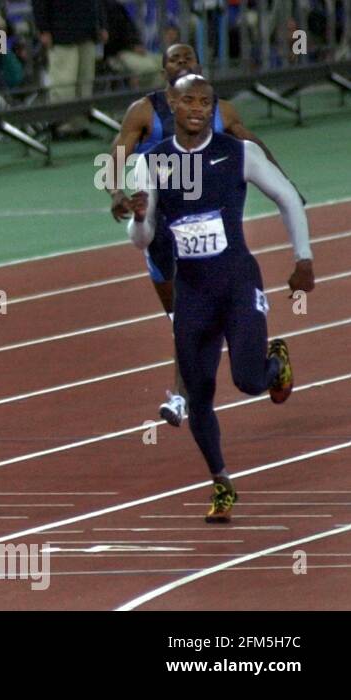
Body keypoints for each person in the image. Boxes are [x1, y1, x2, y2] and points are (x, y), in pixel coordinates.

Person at [127, 75, 314, 524]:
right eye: (187, 100)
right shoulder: (150, 164)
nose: (196, 108)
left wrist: (303, 259)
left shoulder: (238, 154)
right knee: (199, 395)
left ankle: (275, 364)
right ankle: (221, 481)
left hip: (236, 284)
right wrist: (137, 220)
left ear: (212, 108)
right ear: (171, 104)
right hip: (191, 294)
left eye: (205, 102)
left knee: (249, 381)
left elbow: (288, 198)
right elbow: (142, 239)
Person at [107, 43, 298, 427]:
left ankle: (181, 395)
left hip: (211, 224)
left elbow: (252, 144)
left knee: (189, 312)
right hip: (163, 226)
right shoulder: (144, 111)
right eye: (174, 59)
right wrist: (116, 192)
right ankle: (194, 387)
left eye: (188, 57)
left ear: (198, 64)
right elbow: (115, 156)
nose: (181, 62)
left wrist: (283, 180)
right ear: (163, 71)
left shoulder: (220, 110)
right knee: (177, 314)